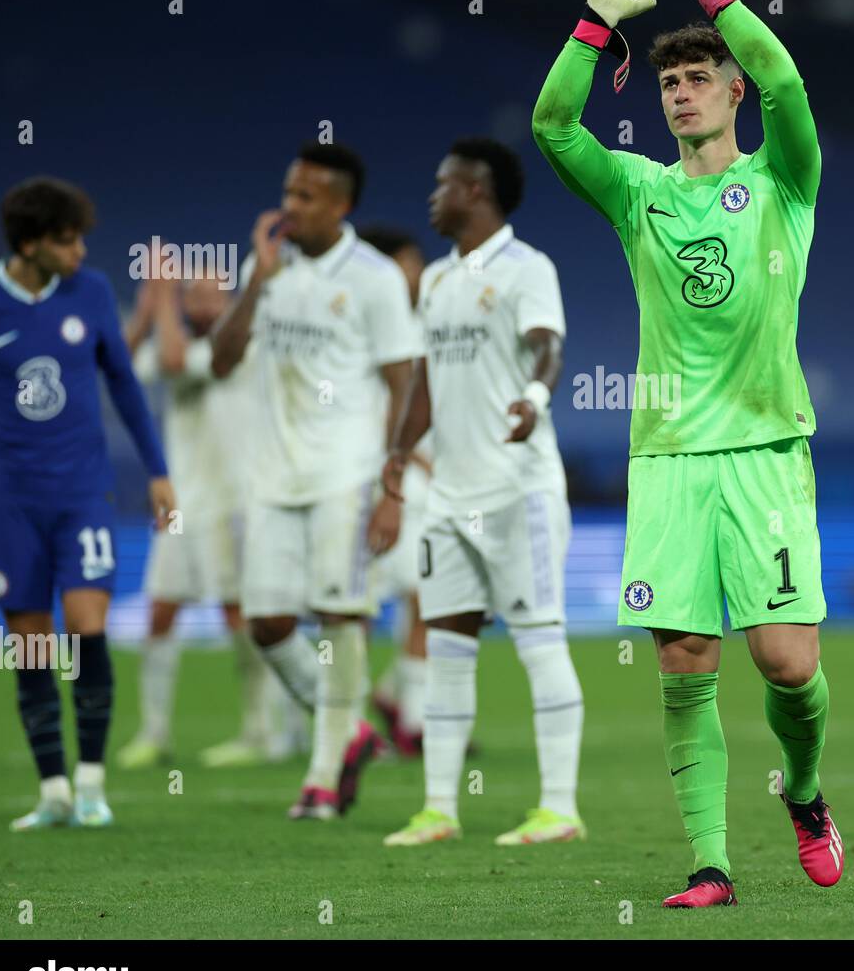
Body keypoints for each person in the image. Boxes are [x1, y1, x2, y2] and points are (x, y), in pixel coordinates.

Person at [531, 0, 842, 907]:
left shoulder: (783, 180)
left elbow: (788, 82)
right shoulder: (639, 194)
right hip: (667, 457)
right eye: (669, 82)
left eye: (699, 76)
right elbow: (551, 127)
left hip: (765, 450)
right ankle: (711, 865)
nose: (681, 92)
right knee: (684, 662)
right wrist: (593, 26)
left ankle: (804, 793)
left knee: (786, 664)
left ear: (732, 91)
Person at [380, 137, 584, 848]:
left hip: (516, 490)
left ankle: (559, 808)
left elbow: (548, 345)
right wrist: (399, 453)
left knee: (539, 640)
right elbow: (425, 379)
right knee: (447, 647)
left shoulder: (528, 267)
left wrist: (535, 396)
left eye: (443, 183)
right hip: (448, 497)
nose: (432, 196)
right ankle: (439, 808)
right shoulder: (436, 280)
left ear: (476, 190)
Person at [211, 143, 422, 819]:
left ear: (341, 205)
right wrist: (256, 281)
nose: (289, 206)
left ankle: (323, 776)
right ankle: (352, 729)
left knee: (341, 615)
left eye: (305, 196)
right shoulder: (269, 268)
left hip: (346, 474)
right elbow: (220, 361)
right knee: (267, 623)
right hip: (273, 477)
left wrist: (391, 487)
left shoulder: (374, 278)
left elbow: (405, 385)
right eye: (288, 192)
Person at [0, 176, 175, 829]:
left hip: (83, 494)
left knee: (88, 630)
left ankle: (91, 784)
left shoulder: (88, 293)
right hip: (13, 504)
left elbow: (123, 381)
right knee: (31, 646)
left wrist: (158, 470)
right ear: (29, 244)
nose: (81, 251)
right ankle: (53, 790)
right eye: (67, 241)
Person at [118, 266, 300, 769]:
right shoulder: (173, 338)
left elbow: (175, 361)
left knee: (239, 614)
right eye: (191, 295)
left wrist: (163, 298)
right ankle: (154, 732)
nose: (201, 304)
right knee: (161, 610)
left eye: (212, 295)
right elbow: (121, 365)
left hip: (233, 503)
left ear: (230, 302)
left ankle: (261, 730)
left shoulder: (240, 349)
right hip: (181, 504)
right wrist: (148, 308)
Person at [360, 224, 433, 755]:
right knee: (358, 605)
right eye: (407, 263)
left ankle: (406, 708)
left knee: (425, 592)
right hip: (378, 476)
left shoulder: (425, 321)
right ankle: (366, 718)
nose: (417, 272)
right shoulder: (370, 324)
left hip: (409, 475)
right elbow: (388, 406)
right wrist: (411, 458)